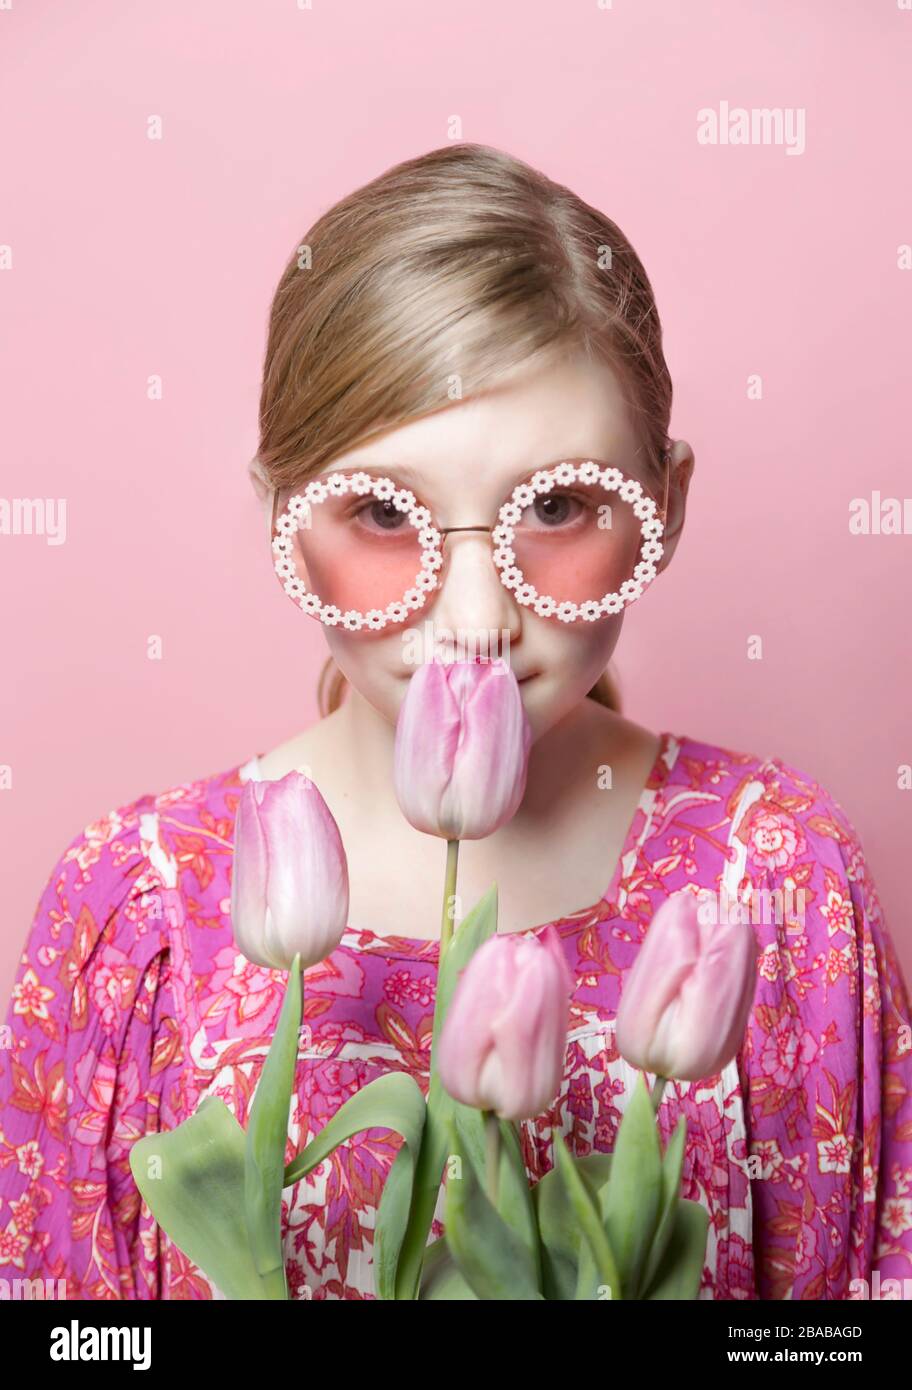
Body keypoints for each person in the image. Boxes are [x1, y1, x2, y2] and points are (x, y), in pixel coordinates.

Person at [1, 143, 910, 1301]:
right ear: (283, 517)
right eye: (383, 512)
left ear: (666, 510)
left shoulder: (775, 884)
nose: (475, 622)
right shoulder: (140, 917)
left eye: (565, 506)